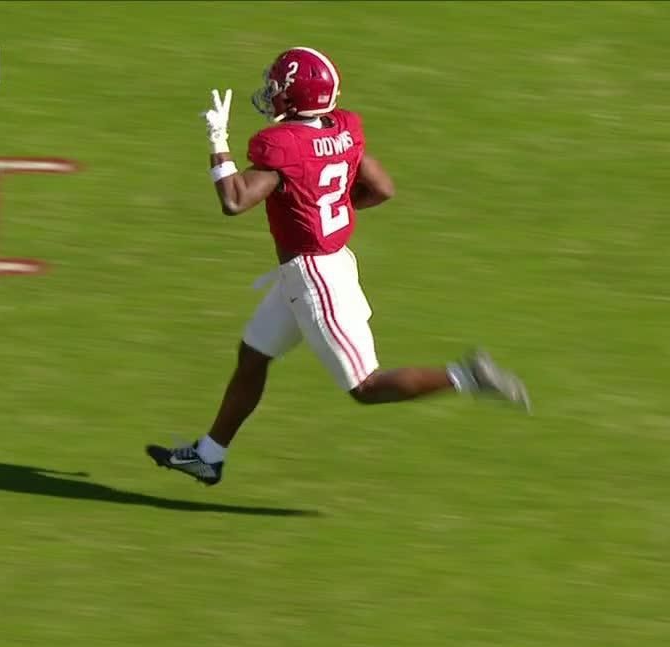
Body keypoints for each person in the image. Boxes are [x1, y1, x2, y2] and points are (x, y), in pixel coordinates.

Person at [147, 47, 530, 486]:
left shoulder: (283, 146)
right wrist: (328, 208)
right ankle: (209, 455)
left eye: (278, 88)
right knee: (253, 356)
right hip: (322, 265)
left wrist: (218, 140)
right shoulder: (344, 128)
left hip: (313, 278)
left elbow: (235, 200)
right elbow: (382, 188)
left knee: (365, 387)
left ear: (294, 98)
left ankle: (467, 376)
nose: (271, 93)